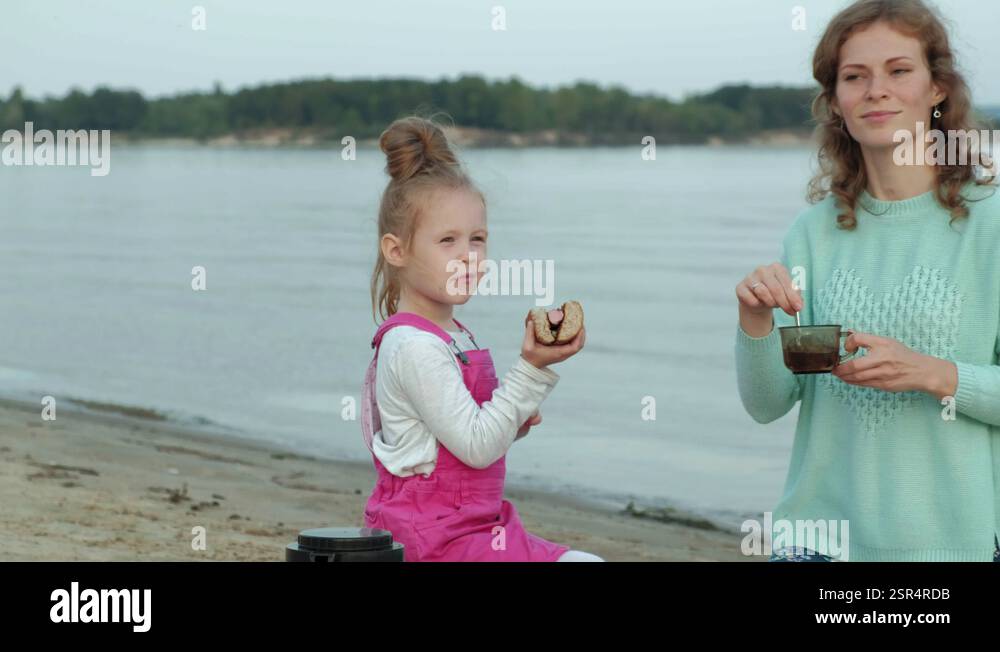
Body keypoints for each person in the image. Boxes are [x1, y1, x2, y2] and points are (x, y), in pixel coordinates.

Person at [734, 0, 1000, 561]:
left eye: (899, 70)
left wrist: (934, 373)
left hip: (952, 549)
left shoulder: (991, 226)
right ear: (836, 101)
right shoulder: (812, 233)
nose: (876, 90)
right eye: (855, 76)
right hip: (814, 546)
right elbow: (769, 403)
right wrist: (754, 318)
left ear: (937, 90)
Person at [360, 115, 602, 562]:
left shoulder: (454, 335)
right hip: (433, 537)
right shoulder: (414, 346)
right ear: (397, 250)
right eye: (447, 240)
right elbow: (476, 448)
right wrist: (531, 370)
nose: (468, 256)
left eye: (478, 239)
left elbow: (461, 439)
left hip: (478, 525)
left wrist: (511, 420)